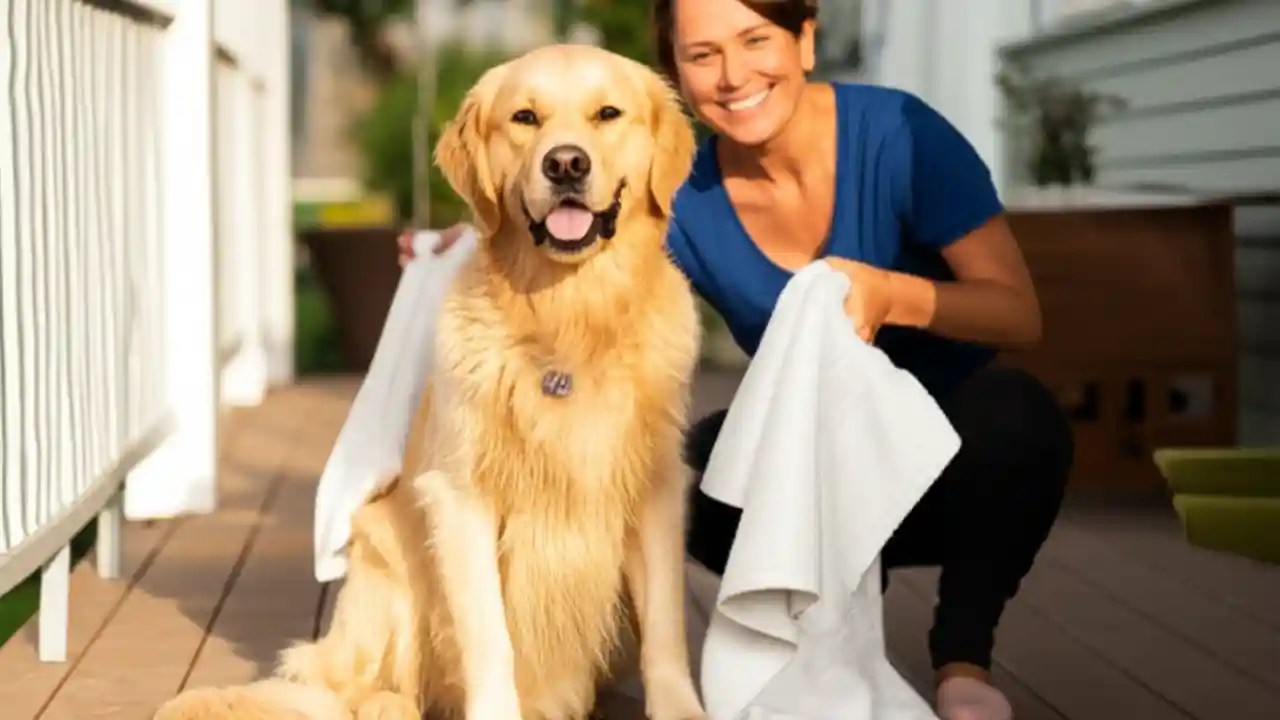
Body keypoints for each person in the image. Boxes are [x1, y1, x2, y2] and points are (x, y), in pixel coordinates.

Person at [400, 1, 1074, 718]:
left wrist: (888, 291)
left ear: (805, 40)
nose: (733, 75)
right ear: (677, 73)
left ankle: (962, 659)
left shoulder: (901, 138)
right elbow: (570, 205)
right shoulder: (678, 188)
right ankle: (838, 632)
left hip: (944, 458)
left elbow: (1017, 312)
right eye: (702, 55)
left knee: (1019, 418)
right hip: (816, 458)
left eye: (756, 41)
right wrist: (458, 236)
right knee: (697, 475)